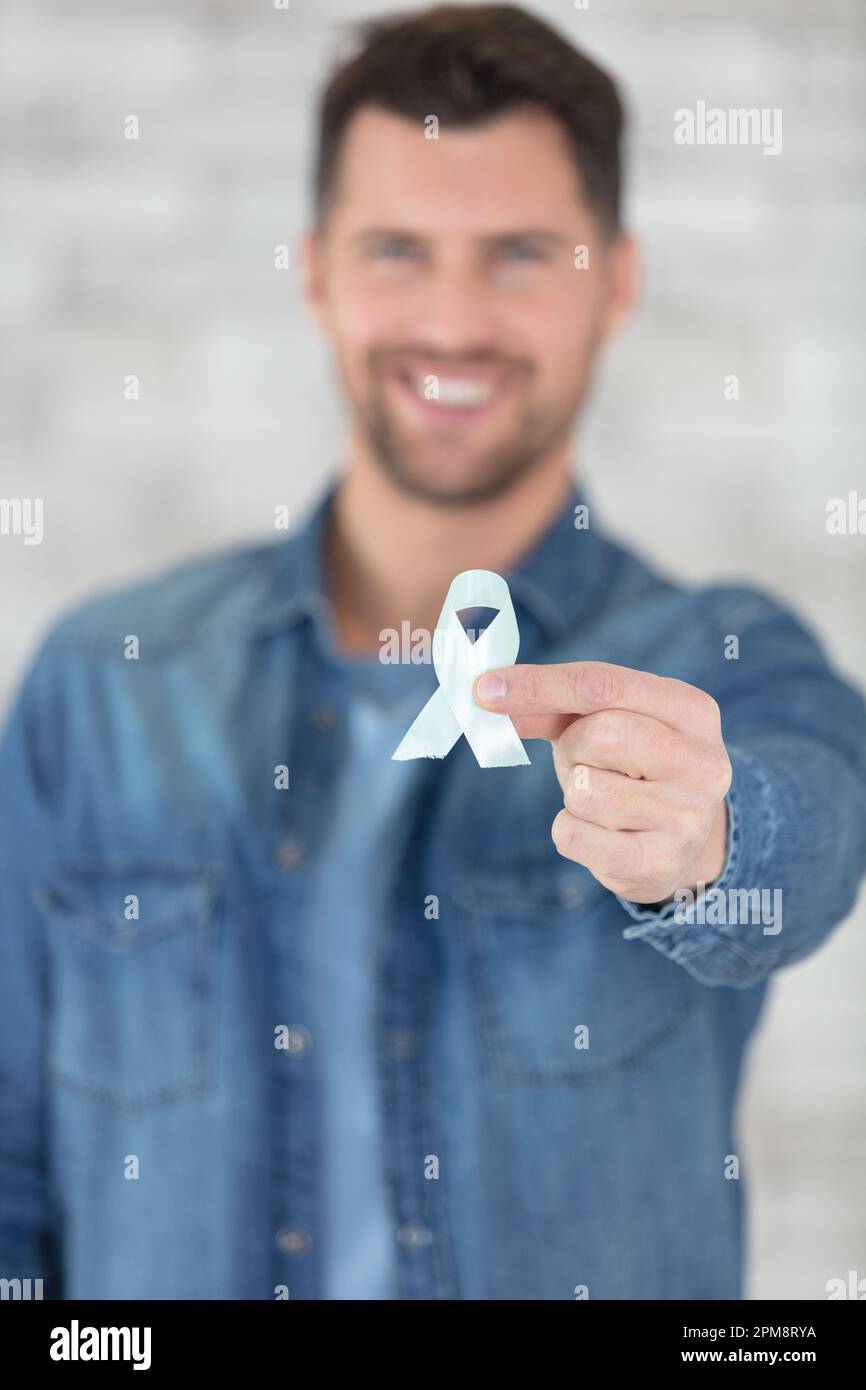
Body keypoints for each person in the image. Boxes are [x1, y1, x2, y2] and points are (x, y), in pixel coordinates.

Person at [1, 3, 865, 1301]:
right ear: (315, 271)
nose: (453, 321)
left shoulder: (715, 654)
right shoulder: (101, 683)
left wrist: (707, 846)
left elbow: (816, 825)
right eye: (397, 248)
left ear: (614, 280)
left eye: (520, 251)